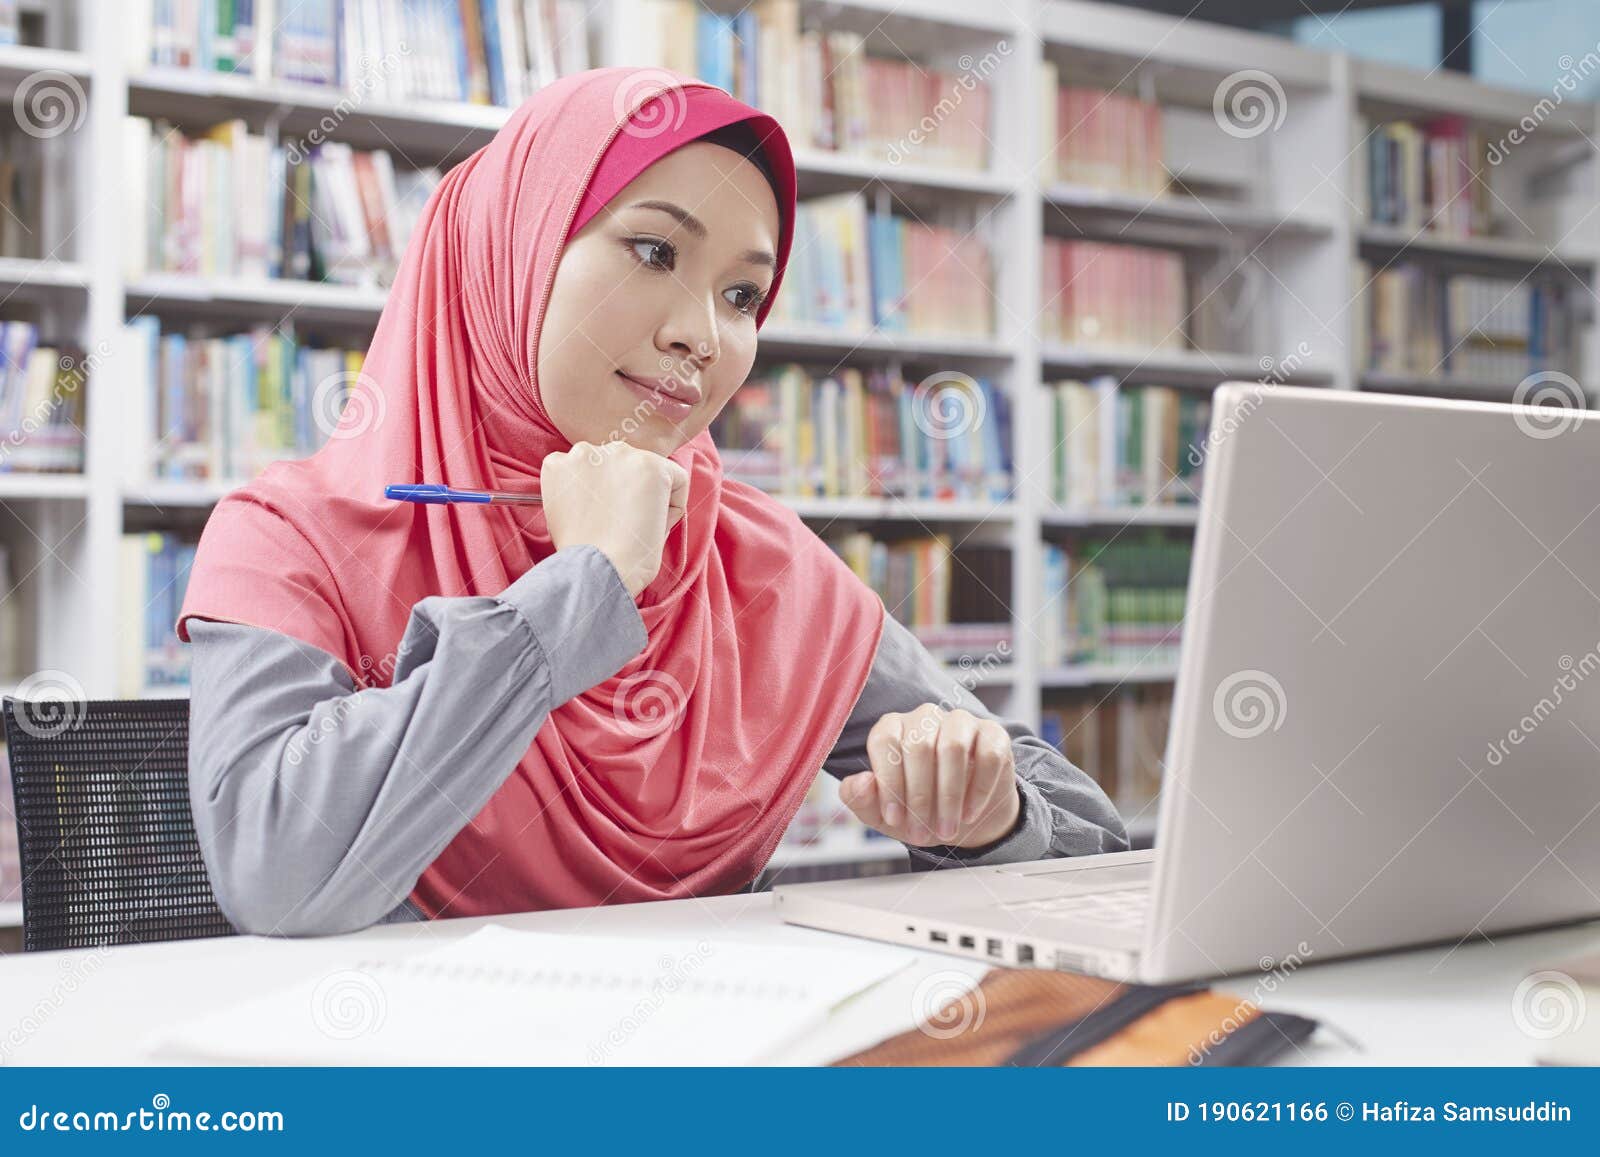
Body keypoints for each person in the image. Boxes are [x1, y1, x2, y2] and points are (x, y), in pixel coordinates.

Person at [175, 66, 1128, 937]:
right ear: (513, 249)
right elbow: (276, 870)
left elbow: (1092, 843)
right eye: (653, 249)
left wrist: (984, 811)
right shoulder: (288, 536)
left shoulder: (753, 559)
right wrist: (576, 591)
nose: (703, 335)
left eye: (745, 295)